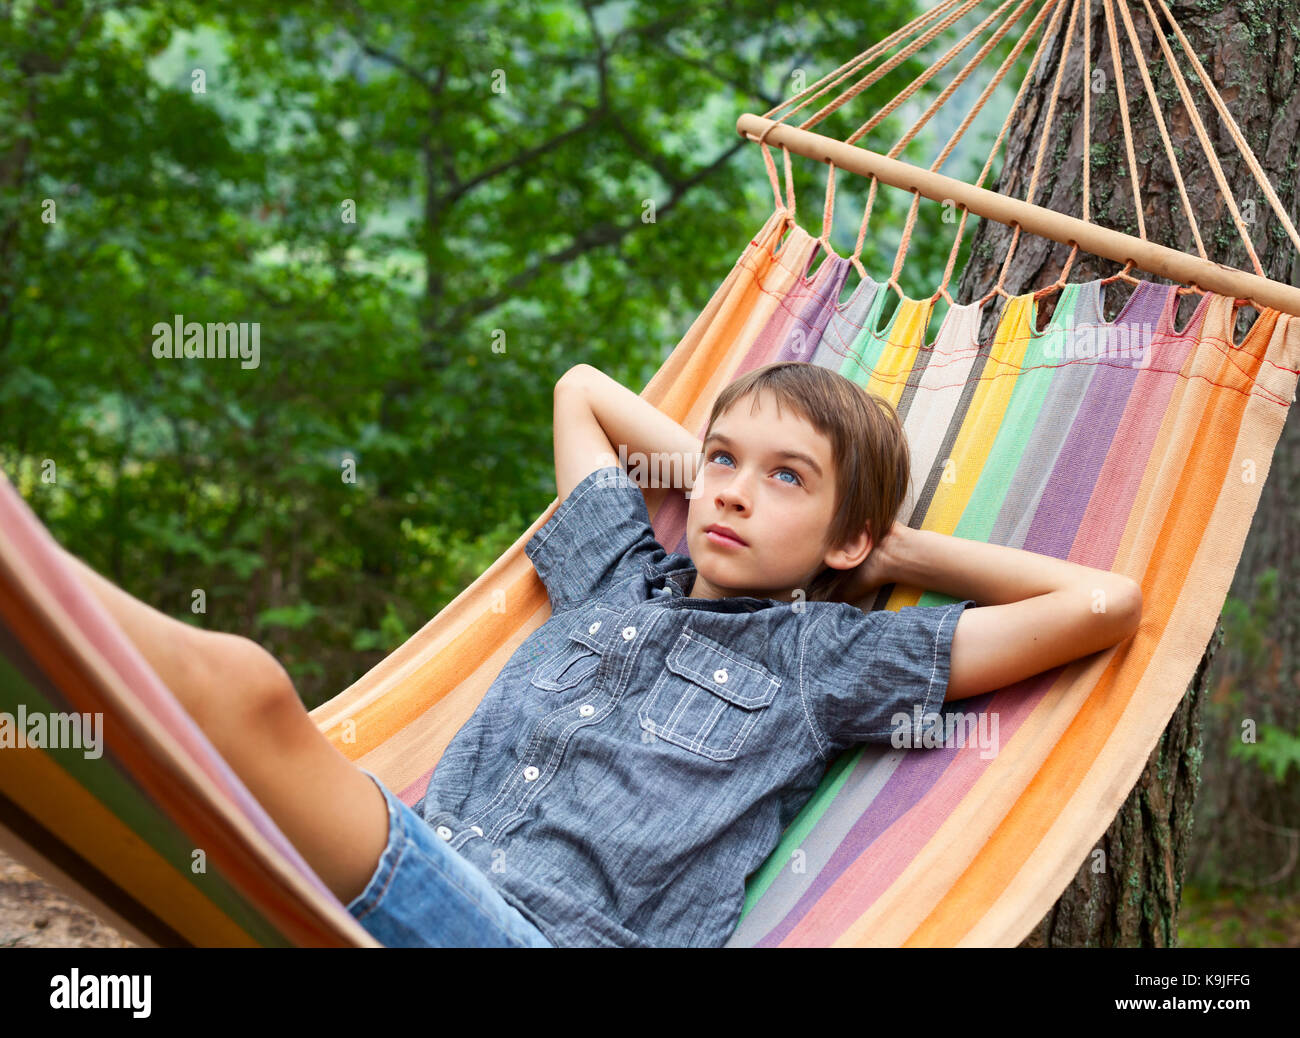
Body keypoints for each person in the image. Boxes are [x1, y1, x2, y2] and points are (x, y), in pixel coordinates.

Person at [63, 360, 1142, 947]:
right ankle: (43, 626)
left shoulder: (826, 655)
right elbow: (580, 387)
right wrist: (754, 485)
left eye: (785, 478)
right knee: (231, 707)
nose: (725, 487)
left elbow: (1102, 602)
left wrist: (885, 547)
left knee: (246, 690)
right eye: (720, 461)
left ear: (850, 536)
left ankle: (40, 600)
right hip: (407, 894)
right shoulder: (615, 572)